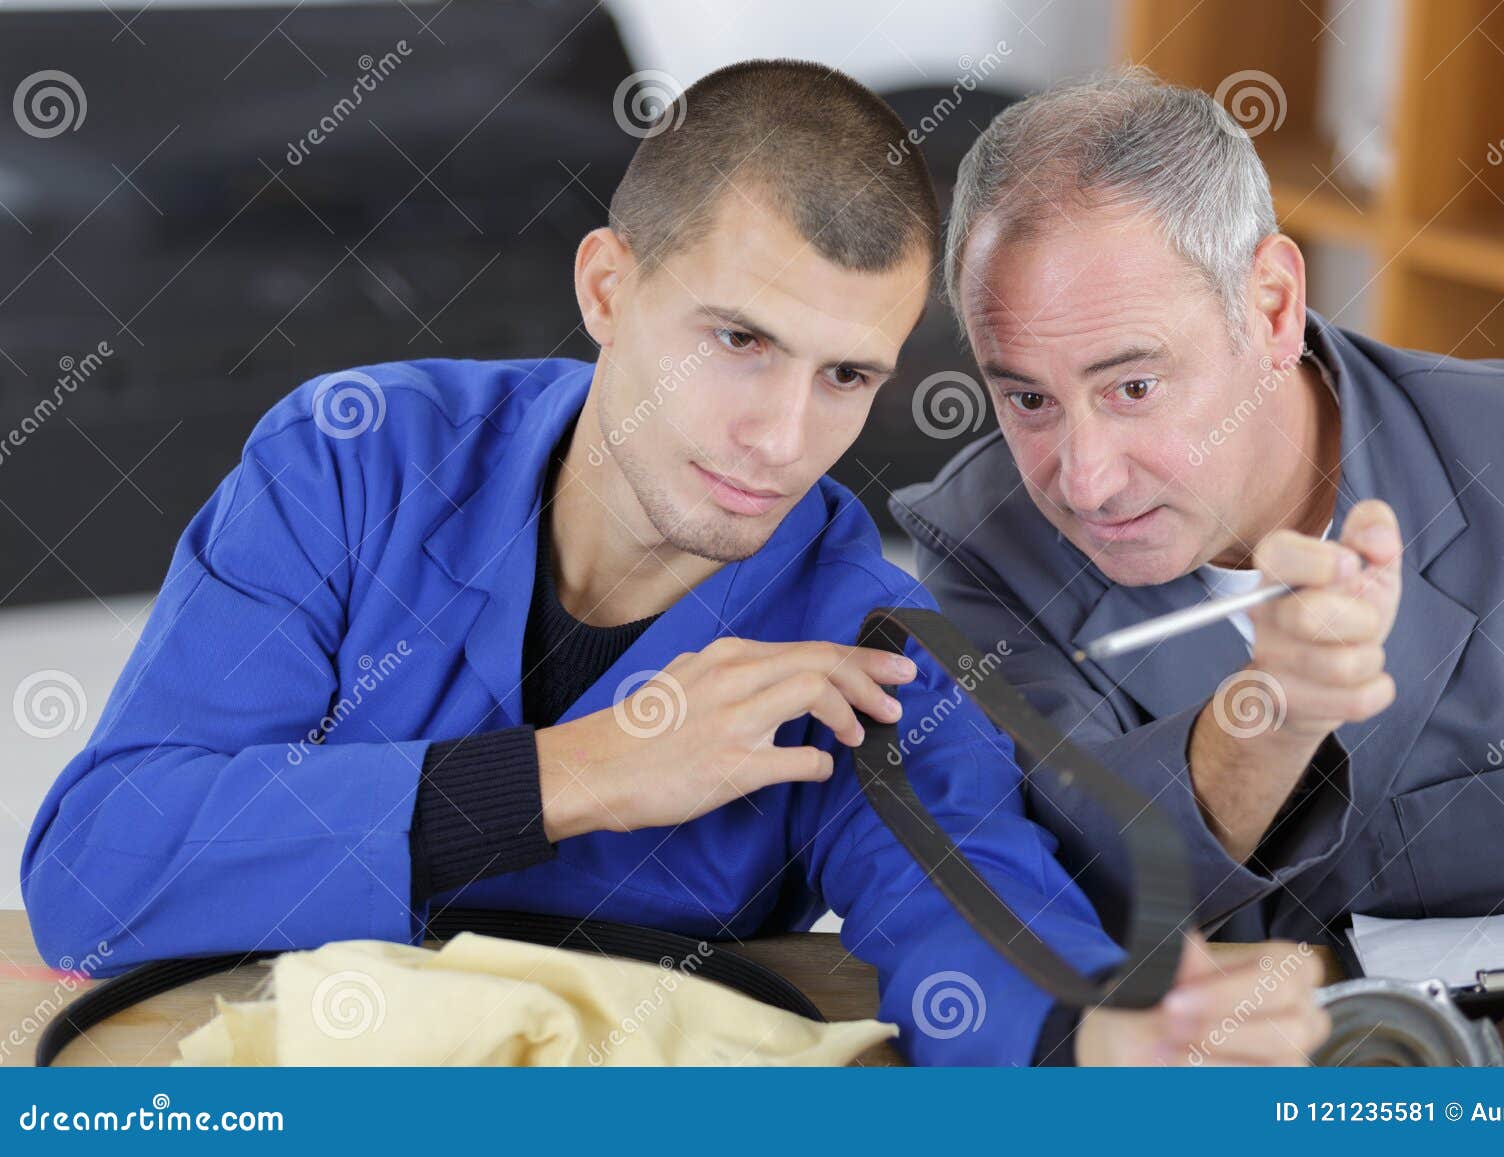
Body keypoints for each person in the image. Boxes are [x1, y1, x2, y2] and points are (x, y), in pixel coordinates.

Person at [23, 59, 1326, 1067]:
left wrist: (1087, 1039)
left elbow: (970, 899)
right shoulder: (352, 462)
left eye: (846, 376)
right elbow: (95, 878)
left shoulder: (861, 643)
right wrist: (583, 773)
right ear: (607, 287)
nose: (781, 438)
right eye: (739, 340)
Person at [890, 68, 1504, 1065]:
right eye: (1026, 400)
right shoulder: (980, 542)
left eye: (1132, 384)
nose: (1084, 479)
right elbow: (1075, 880)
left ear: (1269, 305)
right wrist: (1268, 711)